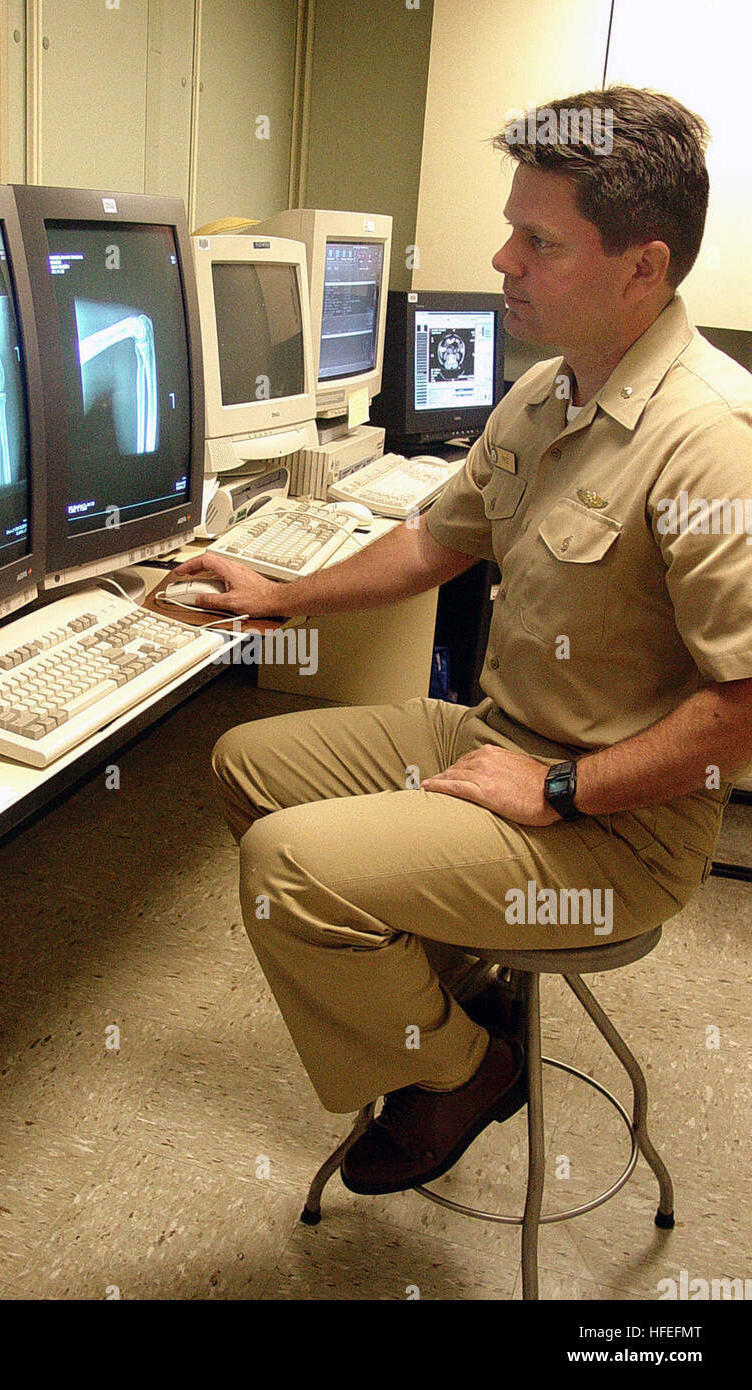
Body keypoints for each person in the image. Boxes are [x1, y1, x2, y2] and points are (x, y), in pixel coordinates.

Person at [171, 87, 752, 1196]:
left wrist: (567, 790)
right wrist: (278, 596)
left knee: (285, 870)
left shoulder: (713, 441)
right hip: (499, 735)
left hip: (616, 824)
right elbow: (434, 542)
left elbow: (746, 707)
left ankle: (463, 1070)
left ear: (644, 266)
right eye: (511, 228)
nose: (501, 260)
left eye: (540, 242)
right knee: (248, 762)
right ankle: (453, 996)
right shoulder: (545, 393)